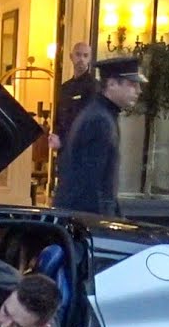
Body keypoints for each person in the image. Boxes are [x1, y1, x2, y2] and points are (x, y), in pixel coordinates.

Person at [52, 56, 146, 216]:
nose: (138, 90)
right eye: (132, 84)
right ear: (111, 84)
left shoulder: (102, 115)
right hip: (86, 220)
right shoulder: (100, 120)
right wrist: (106, 224)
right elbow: (92, 186)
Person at [48, 42, 96, 152]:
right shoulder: (65, 87)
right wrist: (55, 136)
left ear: (89, 59)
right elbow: (58, 116)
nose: (81, 59)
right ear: (71, 57)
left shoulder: (93, 86)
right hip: (63, 149)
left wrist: (64, 141)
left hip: (81, 149)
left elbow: (87, 121)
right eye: (78, 55)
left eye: (85, 56)